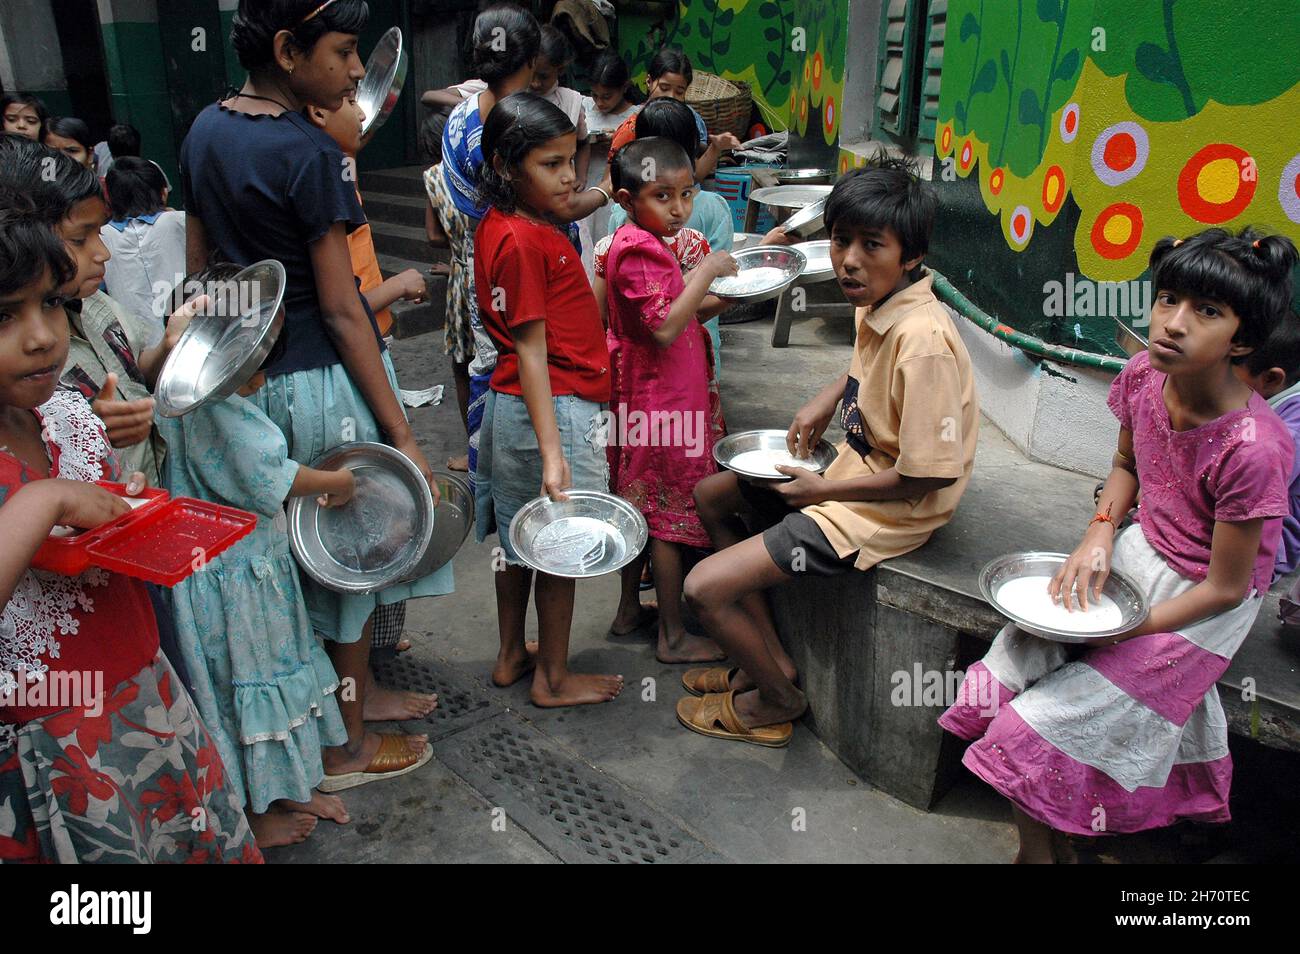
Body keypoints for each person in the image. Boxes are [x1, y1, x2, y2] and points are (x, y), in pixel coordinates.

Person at [940, 227, 1298, 863]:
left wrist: (1125, 632)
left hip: (1202, 603)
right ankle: (1060, 841)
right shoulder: (1141, 376)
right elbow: (1126, 464)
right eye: (1167, 300)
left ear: (1241, 339)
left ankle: (1039, 857)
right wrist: (1099, 530)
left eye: (1206, 311)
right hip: (1139, 547)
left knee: (1035, 728)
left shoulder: (1254, 448)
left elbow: (1229, 587)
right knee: (999, 680)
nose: (1173, 324)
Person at [181, 0, 449, 791]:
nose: (358, 69)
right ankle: (347, 744)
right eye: (343, 50)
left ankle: (344, 708)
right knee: (347, 569)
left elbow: (202, 278)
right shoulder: (309, 149)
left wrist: (232, 371)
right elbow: (339, 307)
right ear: (290, 51)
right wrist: (401, 433)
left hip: (246, 386)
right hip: (317, 382)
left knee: (286, 568)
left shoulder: (202, 131)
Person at [679, 159, 979, 747]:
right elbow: (863, 368)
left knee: (703, 590)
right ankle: (769, 661)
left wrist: (824, 491)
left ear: (911, 255)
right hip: (852, 469)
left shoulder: (925, 344)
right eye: (841, 240)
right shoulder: (882, 298)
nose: (849, 259)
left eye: (872, 246)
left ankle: (778, 698)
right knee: (710, 497)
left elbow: (926, 476)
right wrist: (826, 399)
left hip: (884, 511)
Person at [0, 201, 260, 863]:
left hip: (146, 701)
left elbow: (103, 522)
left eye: (50, 304)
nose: (40, 337)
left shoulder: (65, 415)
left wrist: (128, 509)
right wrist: (49, 499)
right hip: (58, 748)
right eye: (4, 316)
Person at [161, 263, 357, 848]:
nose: (259, 374)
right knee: (247, 682)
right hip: (230, 581)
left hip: (252, 570)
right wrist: (338, 481)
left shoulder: (207, 396)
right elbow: (270, 473)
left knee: (281, 669)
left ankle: (295, 783)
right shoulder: (208, 405)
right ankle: (255, 811)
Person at [473, 92, 623, 706]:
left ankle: (512, 654)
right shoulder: (525, 242)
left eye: (572, 159)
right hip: (552, 406)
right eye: (552, 164)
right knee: (558, 545)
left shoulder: (507, 225)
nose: (571, 176)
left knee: (517, 544)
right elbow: (532, 352)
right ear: (508, 166)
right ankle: (554, 677)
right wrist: (554, 453)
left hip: (513, 408)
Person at [603, 137, 736, 663]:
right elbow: (661, 328)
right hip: (661, 401)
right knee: (663, 513)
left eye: (686, 193)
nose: (679, 208)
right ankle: (673, 636)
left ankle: (628, 612)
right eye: (663, 195)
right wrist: (708, 270)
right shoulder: (636, 247)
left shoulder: (648, 241)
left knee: (643, 502)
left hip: (658, 392)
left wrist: (734, 290)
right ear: (625, 198)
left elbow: (676, 310)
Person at [430, 3, 541, 473]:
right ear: (532, 60)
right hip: (522, 258)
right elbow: (548, 205)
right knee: (531, 359)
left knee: (487, 361)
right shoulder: (523, 126)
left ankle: (483, 464)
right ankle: (529, 466)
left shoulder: (457, 119)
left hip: (478, 260)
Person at [305, 92, 428, 339]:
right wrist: (399, 285)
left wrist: (350, 149)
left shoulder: (338, 178)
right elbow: (339, 309)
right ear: (317, 113)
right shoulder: (323, 194)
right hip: (359, 341)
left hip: (373, 331)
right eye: (350, 102)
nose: (361, 114)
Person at [607, 48, 740, 181]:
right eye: (664, 88)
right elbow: (613, 180)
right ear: (649, 82)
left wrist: (714, 148)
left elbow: (694, 176)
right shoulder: (631, 128)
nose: (671, 96)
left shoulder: (690, 119)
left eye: (679, 92)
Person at [1233, 314, 1300, 579]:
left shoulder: (1288, 433)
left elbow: (1252, 490)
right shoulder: (1259, 395)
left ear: (1272, 379)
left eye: (1227, 373)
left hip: (1272, 538)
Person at [101, 156, 187, 347]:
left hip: (137, 350)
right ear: (163, 193)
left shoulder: (100, 238)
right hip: (190, 334)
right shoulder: (181, 222)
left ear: (110, 200)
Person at [582, 51, 638, 246]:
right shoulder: (583, 106)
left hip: (616, 190)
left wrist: (618, 140)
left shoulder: (635, 115)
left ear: (623, 88)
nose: (599, 102)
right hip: (586, 181)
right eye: (595, 95)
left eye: (607, 96)